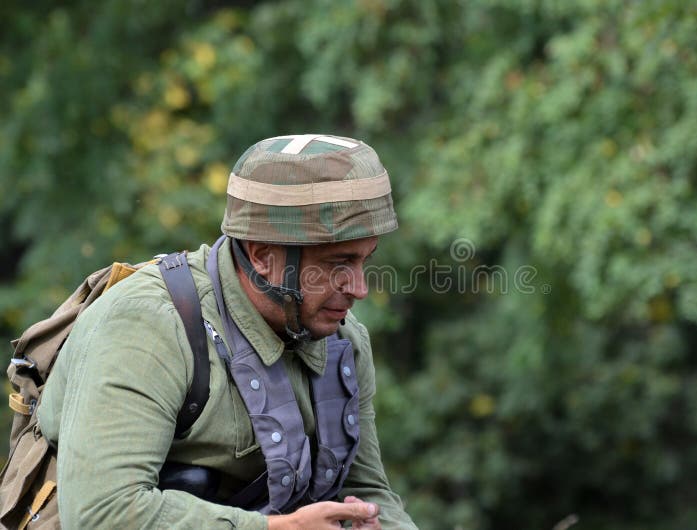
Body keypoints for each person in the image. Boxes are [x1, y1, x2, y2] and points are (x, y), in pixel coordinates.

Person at [36, 134, 418, 529]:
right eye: (339, 262)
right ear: (263, 256)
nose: (359, 288)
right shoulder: (148, 327)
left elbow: (370, 493)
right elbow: (102, 514)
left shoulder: (342, 340)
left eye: (364, 261)